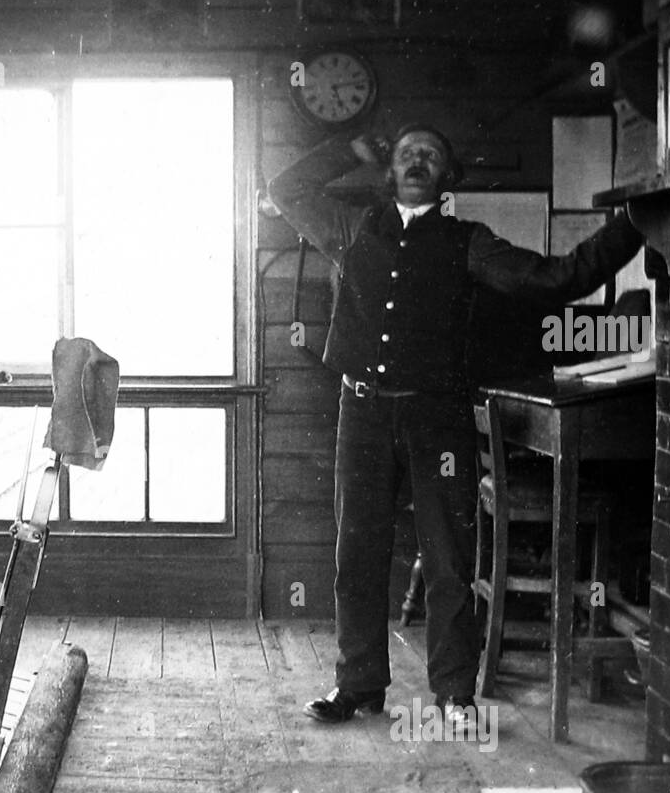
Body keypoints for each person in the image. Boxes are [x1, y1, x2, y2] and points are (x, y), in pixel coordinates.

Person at [267, 123, 644, 726]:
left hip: (436, 418)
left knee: (447, 558)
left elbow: (558, 277)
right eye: (409, 151)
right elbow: (285, 188)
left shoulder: (468, 242)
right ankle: (358, 684)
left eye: (433, 155)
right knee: (357, 553)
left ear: (447, 177)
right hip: (361, 411)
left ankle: (451, 694)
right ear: (390, 168)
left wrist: (634, 224)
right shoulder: (353, 227)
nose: (419, 159)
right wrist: (347, 151)